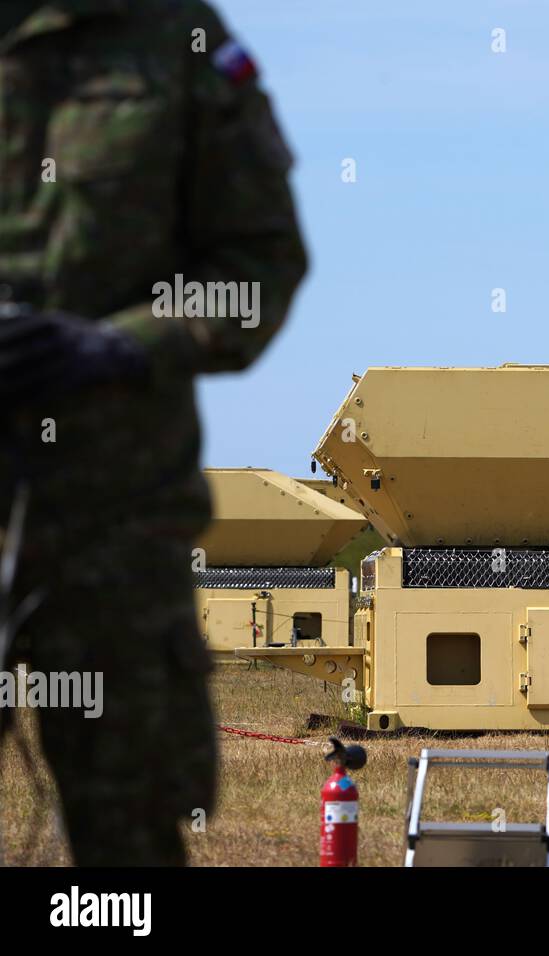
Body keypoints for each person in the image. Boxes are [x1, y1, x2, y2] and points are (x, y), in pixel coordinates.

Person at [0, 0, 307, 865]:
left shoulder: (177, 41)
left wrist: (113, 347)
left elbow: (257, 265)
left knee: (125, 849)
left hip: (115, 528)